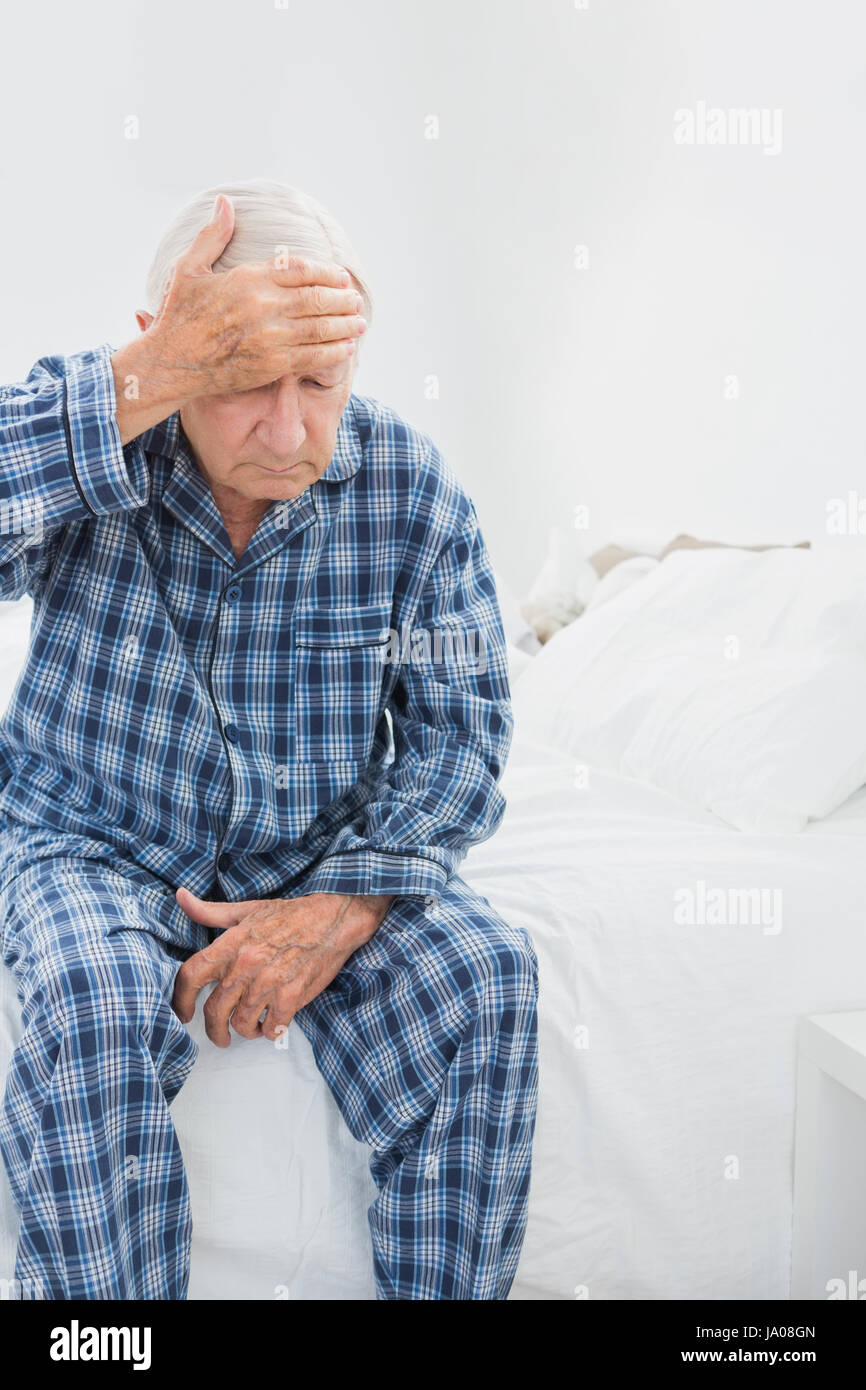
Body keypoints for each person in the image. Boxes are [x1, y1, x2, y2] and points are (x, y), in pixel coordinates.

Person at [0, 180, 538, 1301]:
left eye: (320, 384)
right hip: (87, 838)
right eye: (244, 383)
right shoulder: (96, 426)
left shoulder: (409, 489)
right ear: (171, 345)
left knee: (488, 977)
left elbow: (461, 739)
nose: (289, 431)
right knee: (94, 1004)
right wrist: (143, 383)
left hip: (323, 852)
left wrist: (344, 904)